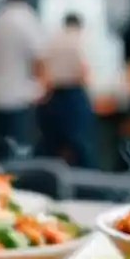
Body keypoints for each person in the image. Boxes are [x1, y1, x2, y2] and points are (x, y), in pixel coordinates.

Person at [0, 0, 43, 162]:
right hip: (19, 98)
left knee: (0, 152)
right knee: (19, 152)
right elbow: (39, 58)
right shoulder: (25, 19)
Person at [37, 13, 97, 168]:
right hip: (73, 95)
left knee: (52, 145)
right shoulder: (78, 41)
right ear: (79, 25)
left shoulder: (52, 41)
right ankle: (87, 180)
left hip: (53, 97)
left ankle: (48, 179)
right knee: (80, 144)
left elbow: (42, 70)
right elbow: (84, 72)